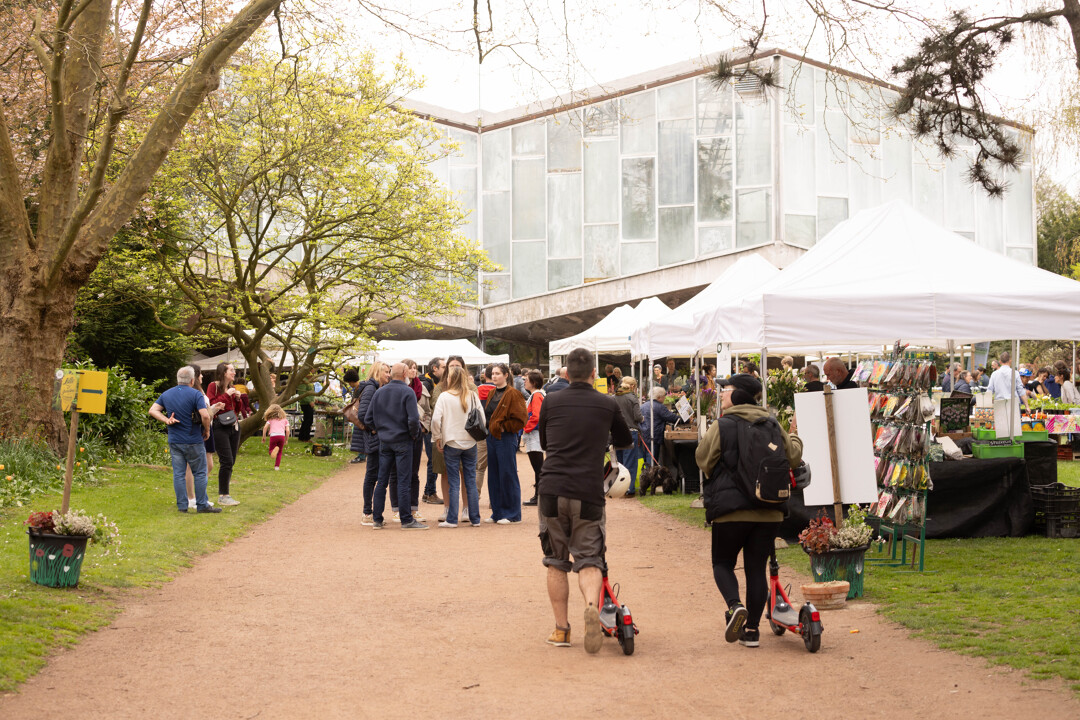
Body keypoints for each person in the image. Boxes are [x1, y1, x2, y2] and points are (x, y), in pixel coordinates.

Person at [696, 373, 803, 649]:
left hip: (730, 510)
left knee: (722, 563)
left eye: (726, 389)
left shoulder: (722, 425)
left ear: (738, 394)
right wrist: (795, 436)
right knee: (756, 569)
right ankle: (752, 631)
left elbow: (703, 460)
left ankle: (735, 607)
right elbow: (793, 457)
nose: (721, 393)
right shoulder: (772, 423)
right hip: (769, 510)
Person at [537, 347, 632, 652]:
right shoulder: (607, 403)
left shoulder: (551, 401)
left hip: (552, 488)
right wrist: (600, 438)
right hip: (588, 491)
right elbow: (626, 440)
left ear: (566, 373)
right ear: (594, 373)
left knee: (556, 561)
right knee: (590, 559)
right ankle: (592, 606)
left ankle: (561, 630)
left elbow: (545, 441)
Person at [148, 366, 220, 513]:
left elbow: (153, 410)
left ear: (177, 379)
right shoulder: (196, 394)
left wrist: (166, 420)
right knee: (200, 472)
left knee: (179, 474)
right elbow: (205, 415)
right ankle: (202, 505)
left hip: (175, 440)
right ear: (192, 380)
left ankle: (182, 506)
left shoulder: (167, 394)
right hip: (193, 439)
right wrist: (207, 430)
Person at [365, 362, 426, 530]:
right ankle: (406, 519)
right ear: (405, 373)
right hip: (403, 440)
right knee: (403, 480)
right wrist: (413, 435)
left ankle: (377, 519)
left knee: (382, 480)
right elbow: (413, 419)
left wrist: (380, 430)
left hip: (385, 441)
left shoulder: (380, 392)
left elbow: (368, 418)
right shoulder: (408, 392)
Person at [431, 366, 484, 527]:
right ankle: (475, 519)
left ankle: (452, 519)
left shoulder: (444, 396)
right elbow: (482, 418)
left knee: (453, 482)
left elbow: (435, 420)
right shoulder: (472, 395)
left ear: (451, 379)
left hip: (451, 442)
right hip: (470, 442)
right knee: (470, 481)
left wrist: (437, 437)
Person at [483, 363, 528, 524]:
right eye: (493, 374)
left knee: (508, 474)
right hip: (491, 437)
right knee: (494, 475)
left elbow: (522, 419)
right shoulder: (492, 393)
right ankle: (497, 512)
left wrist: (505, 427)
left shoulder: (514, 394)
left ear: (506, 375)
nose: (494, 376)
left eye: (497, 373)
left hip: (506, 438)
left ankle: (512, 514)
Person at [184, 364, 224, 510]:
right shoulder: (194, 392)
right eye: (200, 374)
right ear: (195, 376)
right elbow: (200, 415)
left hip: (207, 427)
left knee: (208, 465)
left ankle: (200, 497)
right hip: (200, 429)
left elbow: (205, 412)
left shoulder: (200, 391)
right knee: (192, 465)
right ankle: (191, 498)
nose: (202, 376)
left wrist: (214, 408)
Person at [357, 362, 389, 526]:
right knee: (371, 474)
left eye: (389, 372)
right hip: (374, 438)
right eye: (386, 372)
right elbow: (363, 414)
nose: (388, 375)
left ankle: (371, 512)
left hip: (378, 437)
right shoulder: (371, 388)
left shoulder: (378, 388)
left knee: (376, 474)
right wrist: (375, 429)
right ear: (377, 372)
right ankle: (367, 512)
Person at [207, 362, 242, 506]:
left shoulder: (232, 388)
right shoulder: (213, 386)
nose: (234, 372)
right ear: (223, 372)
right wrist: (227, 395)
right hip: (220, 426)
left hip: (234, 426)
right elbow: (211, 404)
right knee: (226, 461)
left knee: (231, 461)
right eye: (231, 370)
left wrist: (238, 399)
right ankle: (223, 495)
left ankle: (225, 494)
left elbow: (236, 410)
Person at [613, 377, 643, 495]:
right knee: (629, 462)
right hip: (630, 432)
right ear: (633, 386)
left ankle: (618, 488)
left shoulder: (614, 396)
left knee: (619, 464)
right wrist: (642, 418)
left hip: (617, 433)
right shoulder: (632, 397)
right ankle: (629, 489)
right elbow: (637, 416)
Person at [421, 358, 445, 504]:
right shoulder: (427, 383)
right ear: (435, 368)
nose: (446, 370)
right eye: (443, 367)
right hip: (429, 427)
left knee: (434, 459)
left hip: (432, 426)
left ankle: (427, 492)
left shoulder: (434, 382)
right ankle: (430, 493)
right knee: (433, 460)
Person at [521, 370, 547, 506]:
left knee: (538, 468)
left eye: (527, 379)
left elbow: (536, 416)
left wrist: (525, 428)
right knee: (539, 468)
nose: (524, 381)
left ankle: (539, 496)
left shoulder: (536, 395)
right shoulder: (539, 394)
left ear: (534, 382)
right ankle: (540, 495)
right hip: (536, 434)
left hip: (534, 436)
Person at [640, 386, 680, 468]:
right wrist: (685, 419)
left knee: (646, 459)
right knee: (652, 460)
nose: (665, 397)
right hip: (654, 436)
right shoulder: (659, 407)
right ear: (659, 397)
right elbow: (672, 418)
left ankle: (646, 474)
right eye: (664, 396)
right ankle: (651, 475)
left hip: (644, 435)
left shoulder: (643, 406)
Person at [343, 369, 365, 464]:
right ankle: (361, 455)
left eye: (349, 382)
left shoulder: (359, 389)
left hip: (359, 415)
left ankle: (361, 456)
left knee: (360, 436)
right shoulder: (359, 388)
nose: (349, 384)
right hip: (359, 415)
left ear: (351, 381)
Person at [261, 403, 290, 470]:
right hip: (282, 436)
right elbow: (287, 430)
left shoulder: (270, 419)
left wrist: (264, 436)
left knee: (271, 451)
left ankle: (272, 451)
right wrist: (286, 439)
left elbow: (265, 427)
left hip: (273, 436)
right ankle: (277, 467)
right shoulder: (285, 420)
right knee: (280, 452)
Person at [296, 369, 317, 441]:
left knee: (308, 420)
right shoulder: (303, 381)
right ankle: (305, 437)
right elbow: (302, 393)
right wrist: (309, 401)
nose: (312, 374)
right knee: (308, 420)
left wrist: (313, 399)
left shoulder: (309, 381)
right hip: (305, 403)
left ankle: (303, 436)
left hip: (309, 403)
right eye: (311, 373)